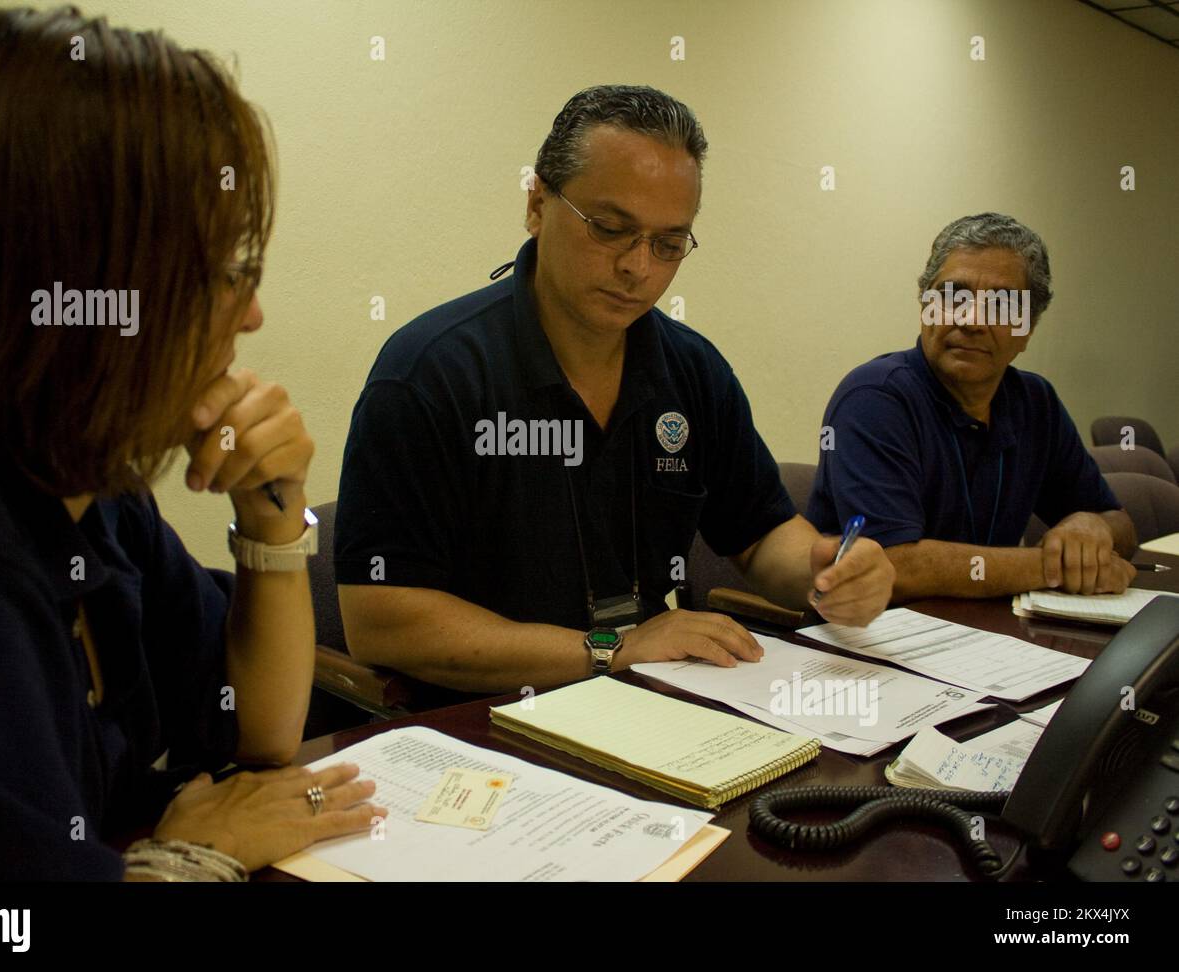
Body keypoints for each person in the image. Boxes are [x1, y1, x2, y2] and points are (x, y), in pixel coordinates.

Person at [0, 7, 384, 880]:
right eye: (226, 273)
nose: (252, 314)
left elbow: (259, 727)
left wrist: (272, 524)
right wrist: (188, 856)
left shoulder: (86, 481)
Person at [335, 84, 895, 698]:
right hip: (481, 719)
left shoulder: (693, 370)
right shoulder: (430, 373)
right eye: (609, 229)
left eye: (668, 244)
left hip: (650, 699)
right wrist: (613, 649)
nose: (638, 268)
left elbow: (761, 536)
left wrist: (823, 569)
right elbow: (380, 621)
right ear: (537, 204)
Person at [806, 212, 1136, 601]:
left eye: (999, 306)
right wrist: (1053, 565)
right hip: (869, 637)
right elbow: (895, 564)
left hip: (986, 634)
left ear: (1026, 330)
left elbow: (1121, 526)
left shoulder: (1036, 402)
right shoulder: (874, 396)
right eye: (951, 297)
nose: (971, 320)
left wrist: (1090, 527)